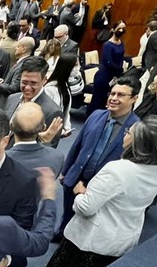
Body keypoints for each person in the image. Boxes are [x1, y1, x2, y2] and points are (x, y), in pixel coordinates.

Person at [43, 116, 157, 267]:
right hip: (123, 238)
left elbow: (86, 208)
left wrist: (80, 193)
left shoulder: (117, 170)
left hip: (92, 241)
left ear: (139, 143)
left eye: (129, 132)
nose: (125, 135)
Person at [56, 75, 141, 239]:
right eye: (112, 93)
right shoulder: (96, 115)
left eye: (121, 95)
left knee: (87, 225)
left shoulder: (137, 129)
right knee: (68, 213)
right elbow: (77, 145)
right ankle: (62, 233)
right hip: (75, 178)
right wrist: (66, 172)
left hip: (102, 188)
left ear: (134, 98)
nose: (113, 98)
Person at [2, 56, 64, 148]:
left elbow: (49, 149)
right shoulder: (12, 99)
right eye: (24, 82)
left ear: (44, 80)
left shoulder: (53, 112)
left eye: (33, 83)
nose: (27, 87)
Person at [7, 102, 65, 178]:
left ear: (11, 126)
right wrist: (44, 143)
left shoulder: (0, 160)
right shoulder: (57, 157)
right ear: (43, 127)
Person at [87, 20, 127, 115]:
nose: (121, 30)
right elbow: (108, 62)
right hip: (104, 77)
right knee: (98, 100)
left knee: (107, 101)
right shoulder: (107, 45)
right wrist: (120, 70)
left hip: (115, 75)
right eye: (119, 28)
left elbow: (121, 58)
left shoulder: (121, 42)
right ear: (113, 29)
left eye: (123, 28)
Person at [44, 53, 77, 135]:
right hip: (47, 132)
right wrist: (59, 130)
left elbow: (66, 110)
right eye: (75, 65)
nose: (78, 68)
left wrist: (67, 127)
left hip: (58, 131)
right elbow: (47, 114)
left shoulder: (65, 85)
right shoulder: (49, 89)